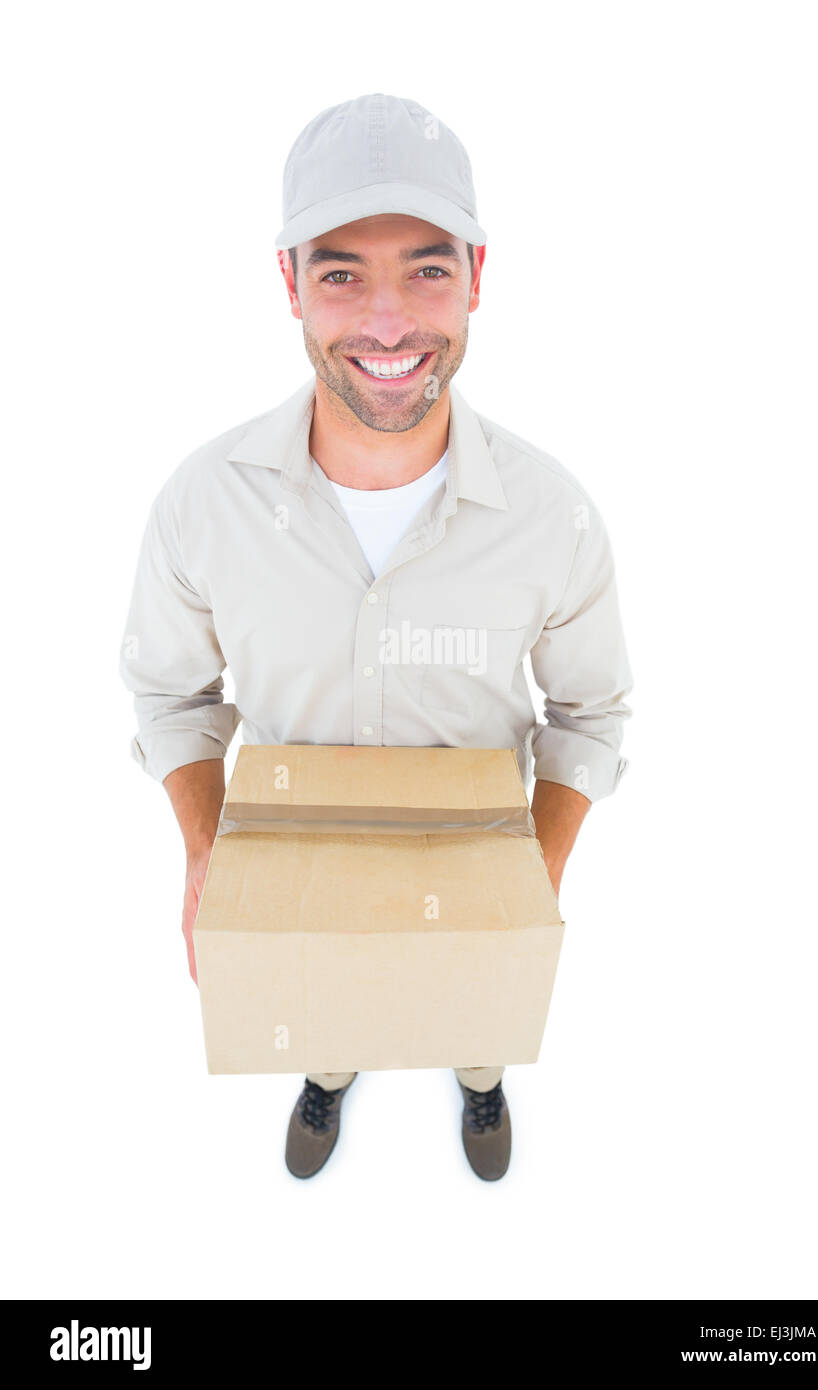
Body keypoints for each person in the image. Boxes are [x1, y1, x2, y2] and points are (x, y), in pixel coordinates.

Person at [119, 92, 633, 1182]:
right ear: (291, 287)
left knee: (479, 1027)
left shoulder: (554, 515)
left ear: (478, 280)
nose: (388, 322)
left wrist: (523, 894)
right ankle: (331, 1072)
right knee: (328, 1016)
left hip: (479, 867)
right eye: (342, 271)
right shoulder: (200, 506)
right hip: (299, 884)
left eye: (427, 268)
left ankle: (481, 1084)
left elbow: (590, 714)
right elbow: (170, 697)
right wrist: (206, 853)